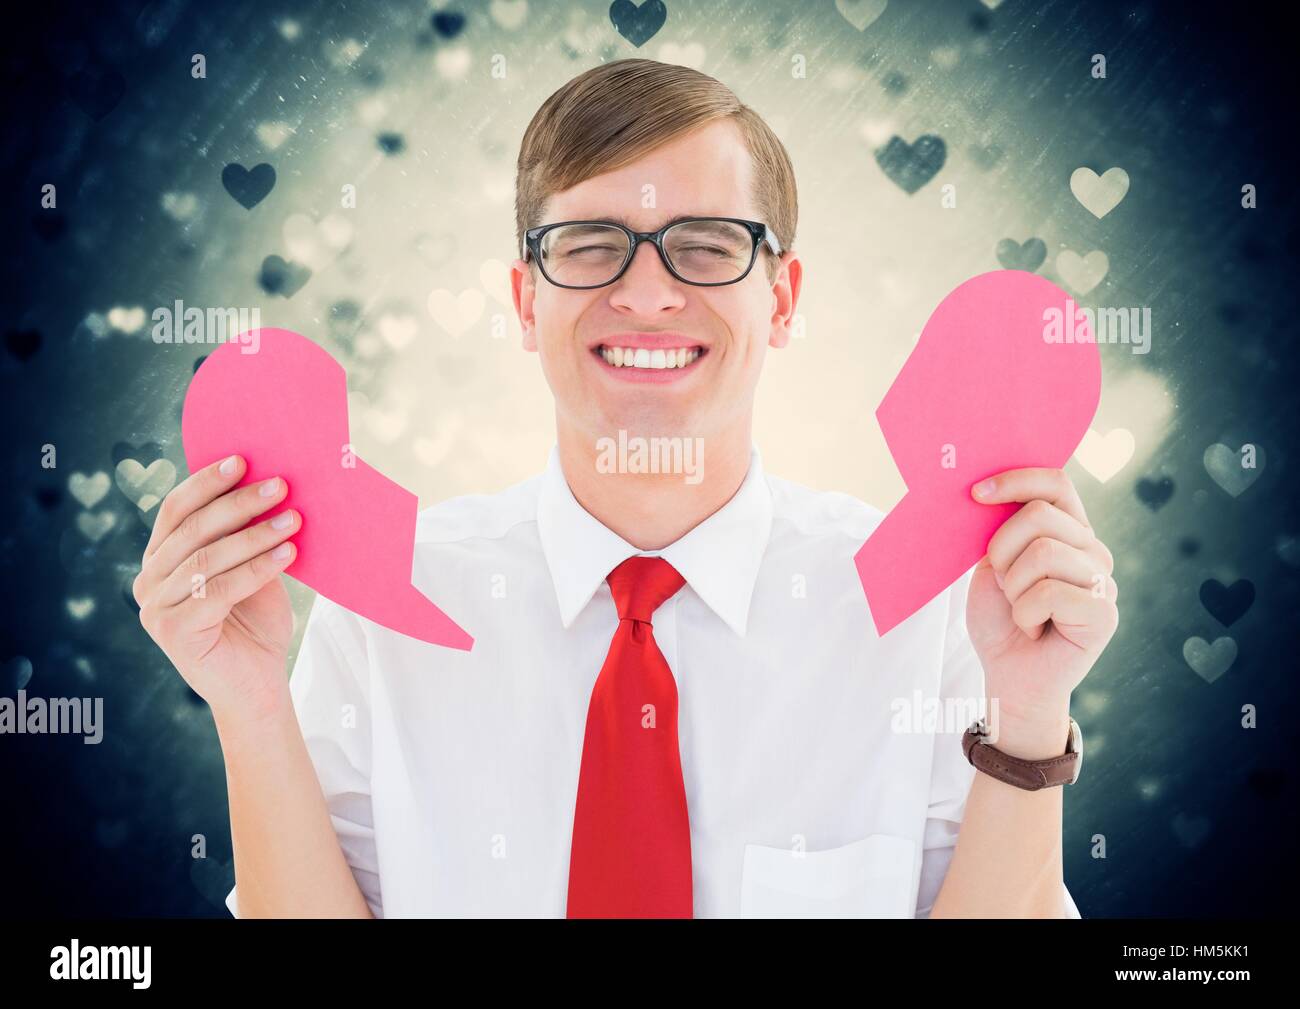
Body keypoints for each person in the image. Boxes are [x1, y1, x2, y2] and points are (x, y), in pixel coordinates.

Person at [134, 58, 1118, 918]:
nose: (646, 293)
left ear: (780, 297)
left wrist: (1029, 713)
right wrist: (249, 701)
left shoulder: (934, 616)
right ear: (526, 300)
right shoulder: (388, 611)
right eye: (590, 244)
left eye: (706, 244)